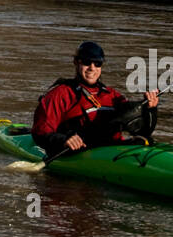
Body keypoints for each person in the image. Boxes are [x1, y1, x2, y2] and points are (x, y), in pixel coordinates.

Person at [31, 40, 160, 156]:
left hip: (110, 149)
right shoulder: (60, 93)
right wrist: (64, 140)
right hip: (77, 151)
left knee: (146, 140)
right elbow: (40, 132)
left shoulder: (112, 96)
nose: (92, 68)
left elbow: (143, 130)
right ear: (76, 62)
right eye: (87, 62)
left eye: (97, 63)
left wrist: (150, 109)